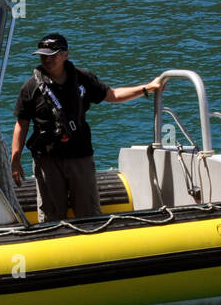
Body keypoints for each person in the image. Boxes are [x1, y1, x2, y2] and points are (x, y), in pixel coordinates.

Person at [10, 33, 160, 222]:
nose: (47, 60)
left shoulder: (83, 79)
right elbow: (21, 125)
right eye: (43, 56)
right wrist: (15, 159)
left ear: (65, 54)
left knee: (88, 211)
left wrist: (146, 88)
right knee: (51, 214)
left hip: (79, 156)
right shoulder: (30, 87)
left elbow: (112, 95)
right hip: (47, 160)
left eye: (52, 55)